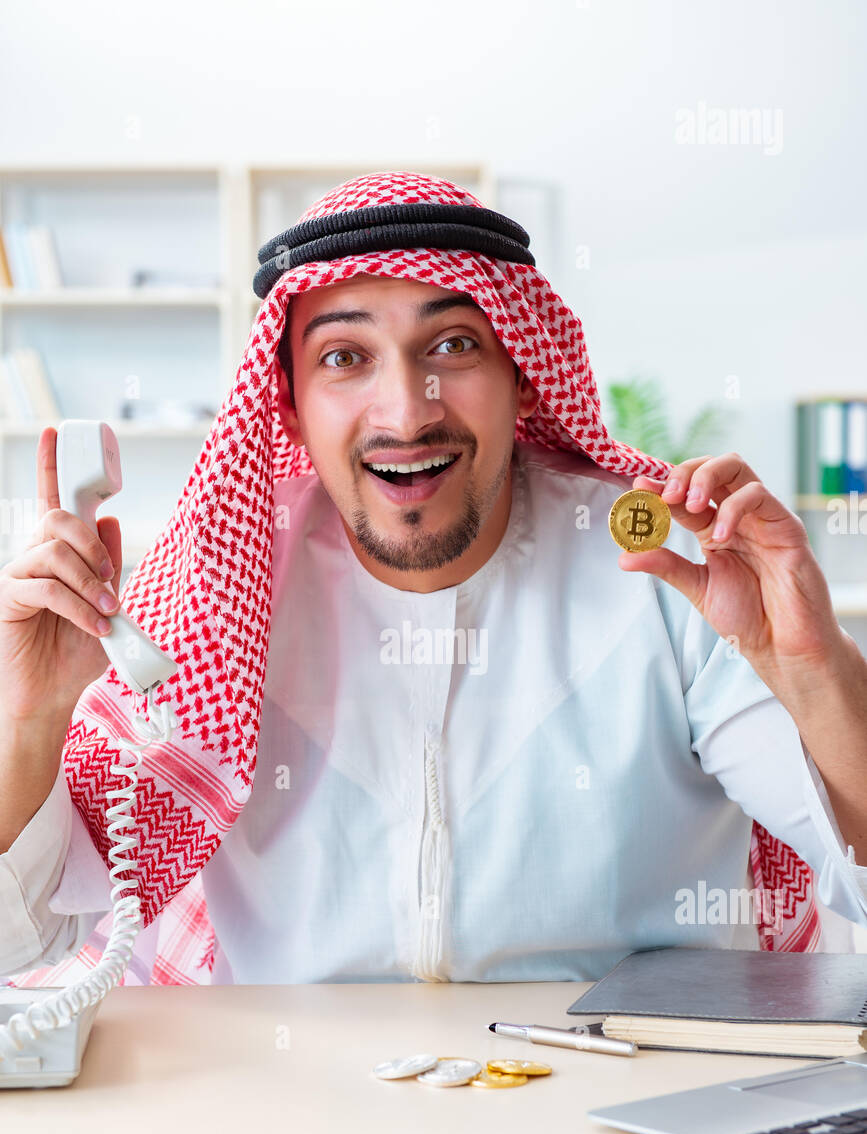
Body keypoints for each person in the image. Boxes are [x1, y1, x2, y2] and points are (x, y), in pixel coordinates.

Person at [0, 171, 865, 990]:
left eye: (452, 345)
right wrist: (29, 718)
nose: (407, 411)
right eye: (344, 357)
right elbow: (25, 935)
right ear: (289, 399)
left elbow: (854, 879)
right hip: (287, 1106)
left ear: (522, 376)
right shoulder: (210, 595)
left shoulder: (664, 576)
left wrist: (811, 659)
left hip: (621, 1097)